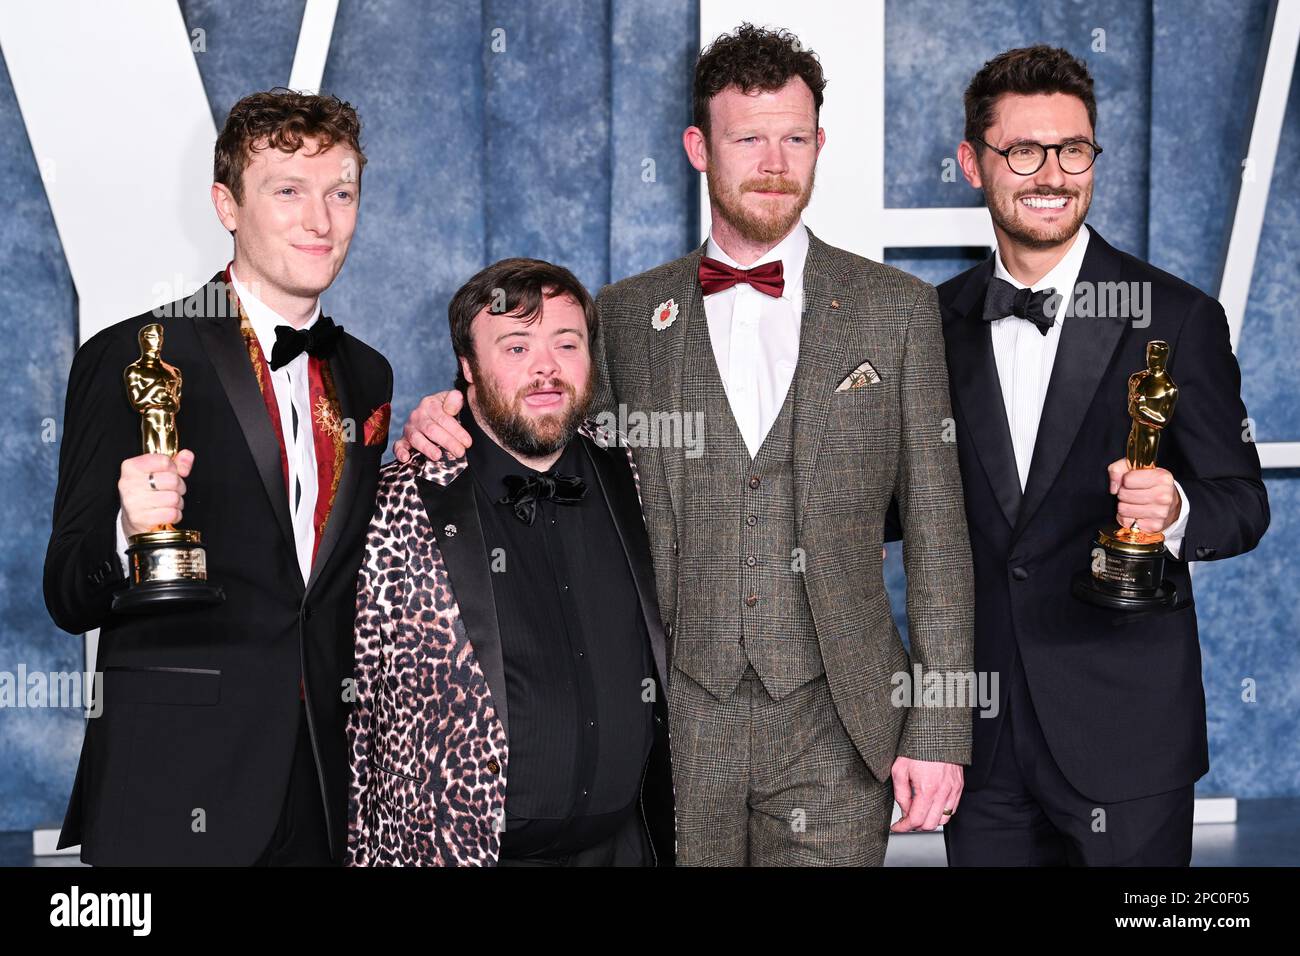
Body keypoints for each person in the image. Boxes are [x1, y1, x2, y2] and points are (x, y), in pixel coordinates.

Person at [394, 24, 975, 866]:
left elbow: (939, 537)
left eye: (795, 137)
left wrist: (941, 725)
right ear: (699, 147)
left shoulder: (898, 309)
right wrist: (443, 420)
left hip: (840, 724)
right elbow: (551, 452)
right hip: (668, 716)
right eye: (748, 137)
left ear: (821, 144)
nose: (775, 161)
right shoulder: (625, 315)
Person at [903, 45, 1268, 866]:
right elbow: (899, 504)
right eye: (1024, 151)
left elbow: (1244, 501)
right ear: (972, 163)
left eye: (1073, 150)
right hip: (983, 742)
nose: (1052, 174)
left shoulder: (1176, 314)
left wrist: (1176, 511)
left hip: (1129, 739)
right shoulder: (928, 325)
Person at [44, 88, 393, 866]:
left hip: (324, 792)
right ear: (226, 206)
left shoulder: (368, 375)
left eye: (342, 192)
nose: (321, 221)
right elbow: (67, 591)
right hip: (174, 785)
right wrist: (124, 531)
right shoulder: (133, 355)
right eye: (288, 191)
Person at [346, 258, 674, 866]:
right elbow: (349, 707)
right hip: (461, 855)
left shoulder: (641, 480)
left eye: (565, 343)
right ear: (467, 368)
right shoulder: (397, 499)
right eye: (516, 345)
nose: (546, 366)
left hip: (627, 850)